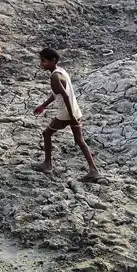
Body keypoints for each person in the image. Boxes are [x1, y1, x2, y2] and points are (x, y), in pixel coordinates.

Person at [33, 48, 101, 182]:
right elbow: (57, 94)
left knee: (47, 134)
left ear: (53, 60)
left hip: (66, 113)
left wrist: (70, 116)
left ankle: (47, 164)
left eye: (44, 61)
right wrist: (44, 105)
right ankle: (93, 170)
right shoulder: (61, 71)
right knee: (80, 141)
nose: (41, 64)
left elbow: (64, 96)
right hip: (75, 110)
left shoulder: (54, 76)